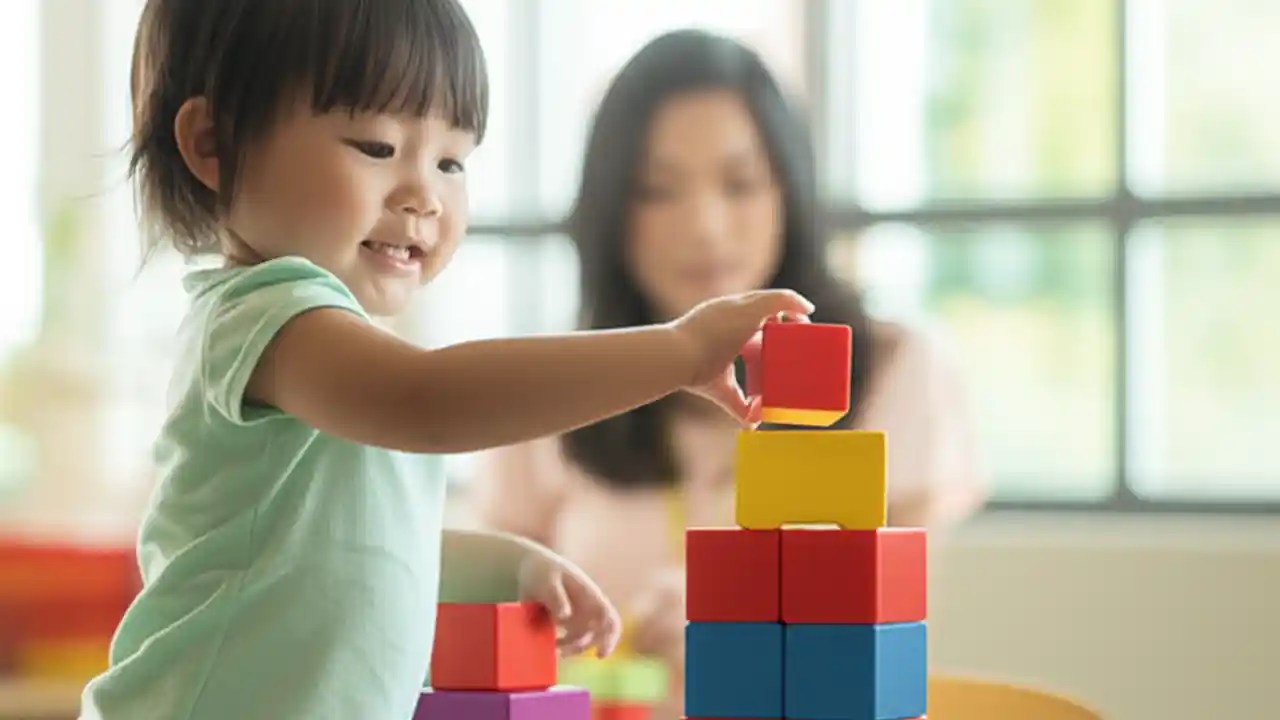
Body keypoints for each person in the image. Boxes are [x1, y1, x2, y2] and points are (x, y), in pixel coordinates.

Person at [79, 5, 816, 720]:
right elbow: (428, 401)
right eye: (375, 146)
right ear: (214, 143)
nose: (423, 195)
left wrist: (508, 566)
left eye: (451, 160)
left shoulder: (330, 362)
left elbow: (356, 555)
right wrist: (679, 350)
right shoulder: (265, 318)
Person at [471, 30, 987, 719]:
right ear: (610, 211)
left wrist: (751, 616)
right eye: (657, 190)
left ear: (789, 190)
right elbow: (498, 648)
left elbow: (892, 635)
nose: (706, 227)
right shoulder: (550, 390)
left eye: (740, 183)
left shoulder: (898, 368)